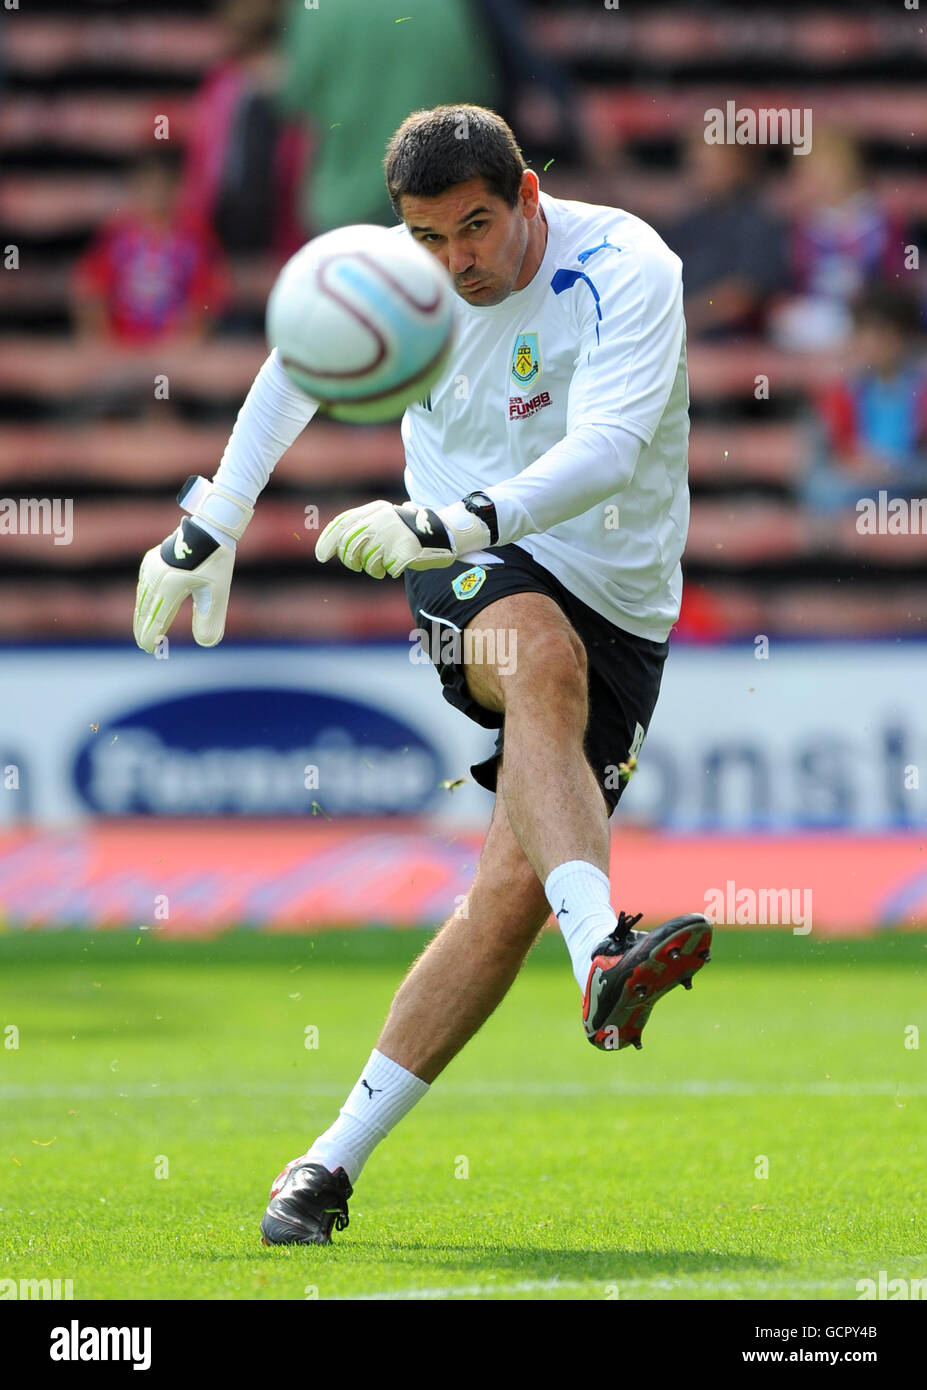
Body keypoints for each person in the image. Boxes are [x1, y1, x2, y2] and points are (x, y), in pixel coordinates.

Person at [132, 105, 713, 1246]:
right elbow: (300, 362)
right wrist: (213, 521)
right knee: (536, 656)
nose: (457, 262)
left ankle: (323, 1166)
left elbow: (609, 452)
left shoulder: (630, 266)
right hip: (471, 566)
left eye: (479, 228)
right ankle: (603, 945)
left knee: (504, 903)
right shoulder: (411, 273)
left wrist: (448, 519)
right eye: (431, 238)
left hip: (609, 590)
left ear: (531, 195)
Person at [71, 148, 230, 345]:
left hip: (176, 348)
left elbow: (209, 296)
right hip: (120, 348)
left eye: (162, 187)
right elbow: (89, 290)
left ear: (175, 188)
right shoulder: (116, 235)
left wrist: (187, 340)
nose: (155, 195)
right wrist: (100, 338)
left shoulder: (194, 236)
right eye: (148, 187)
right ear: (135, 189)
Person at [801, 286, 927, 514]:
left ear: (903, 336)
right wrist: (852, 467)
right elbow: (812, 468)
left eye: (881, 334)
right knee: (823, 490)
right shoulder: (840, 394)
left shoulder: (921, 392)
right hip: (854, 491)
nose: (869, 344)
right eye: (863, 333)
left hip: (910, 492)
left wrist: (890, 470)